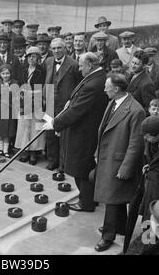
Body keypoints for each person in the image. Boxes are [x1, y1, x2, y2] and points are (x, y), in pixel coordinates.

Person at [44, 52, 108, 212]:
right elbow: (75, 102)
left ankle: (86, 203)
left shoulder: (94, 83)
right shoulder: (96, 77)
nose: (79, 69)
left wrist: (55, 123)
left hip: (85, 131)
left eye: (81, 65)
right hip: (85, 128)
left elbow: (77, 110)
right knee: (82, 165)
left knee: (82, 167)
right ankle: (90, 198)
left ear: (90, 65)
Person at [94, 73, 145, 252]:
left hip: (119, 162)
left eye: (106, 86)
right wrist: (97, 152)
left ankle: (108, 235)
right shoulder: (113, 103)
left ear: (116, 89)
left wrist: (126, 167)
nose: (104, 89)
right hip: (107, 157)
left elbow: (136, 144)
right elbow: (104, 131)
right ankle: (120, 227)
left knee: (111, 197)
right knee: (116, 196)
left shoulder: (136, 110)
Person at [43, 38, 82, 171]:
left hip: (64, 105)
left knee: (63, 136)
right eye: (53, 48)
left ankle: (62, 164)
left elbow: (79, 85)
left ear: (65, 48)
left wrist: (72, 102)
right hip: (49, 104)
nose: (56, 51)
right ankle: (51, 161)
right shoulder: (48, 61)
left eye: (59, 48)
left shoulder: (74, 64)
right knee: (50, 134)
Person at [15, 47, 46, 165]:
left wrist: (31, 93)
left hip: (36, 102)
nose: (31, 58)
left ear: (38, 58)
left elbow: (41, 87)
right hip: (23, 101)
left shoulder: (41, 71)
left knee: (34, 128)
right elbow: (18, 84)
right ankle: (24, 151)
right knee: (23, 127)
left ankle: (33, 152)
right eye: (29, 56)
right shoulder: (23, 70)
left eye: (33, 56)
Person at [0, 64, 18, 158]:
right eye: (3, 73)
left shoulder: (15, 84)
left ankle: (6, 150)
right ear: (0, 74)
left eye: (7, 73)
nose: (5, 75)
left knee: (7, 133)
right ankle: (0, 149)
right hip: (0, 111)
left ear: (10, 74)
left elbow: (17, 98)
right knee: (0, 132)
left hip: (10, 112)